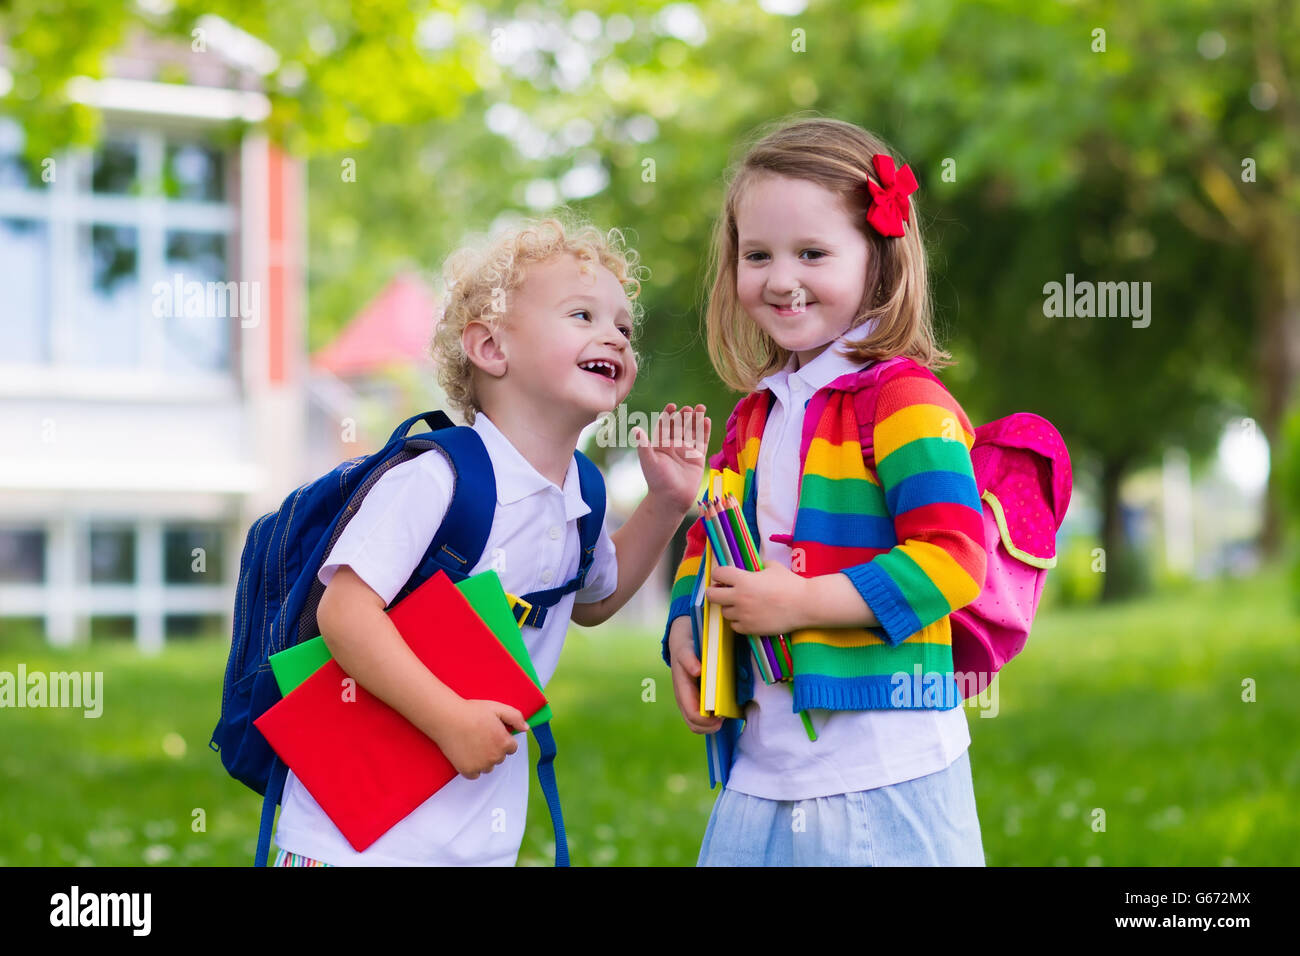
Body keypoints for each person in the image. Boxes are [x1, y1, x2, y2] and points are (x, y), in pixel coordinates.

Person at [273, 216, 710, 866]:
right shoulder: (438, 477)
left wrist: (667, 504)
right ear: (490, 348)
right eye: (582, 314)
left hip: (475, 842)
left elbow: (593, 598)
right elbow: (345, 612)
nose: (613, 337)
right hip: (352, 841)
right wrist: (449, 718)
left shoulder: (580, 497)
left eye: (623, 326)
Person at [663, 117, 988, 866]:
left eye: (812, 253)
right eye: (758, 255)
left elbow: (953, 558)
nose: (781, 278)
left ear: (877, 260)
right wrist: (685, 631)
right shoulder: (754, 415)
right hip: (763, 768)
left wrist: (801, 602)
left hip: (882, 767)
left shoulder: (906, 402)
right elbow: (706, 539)